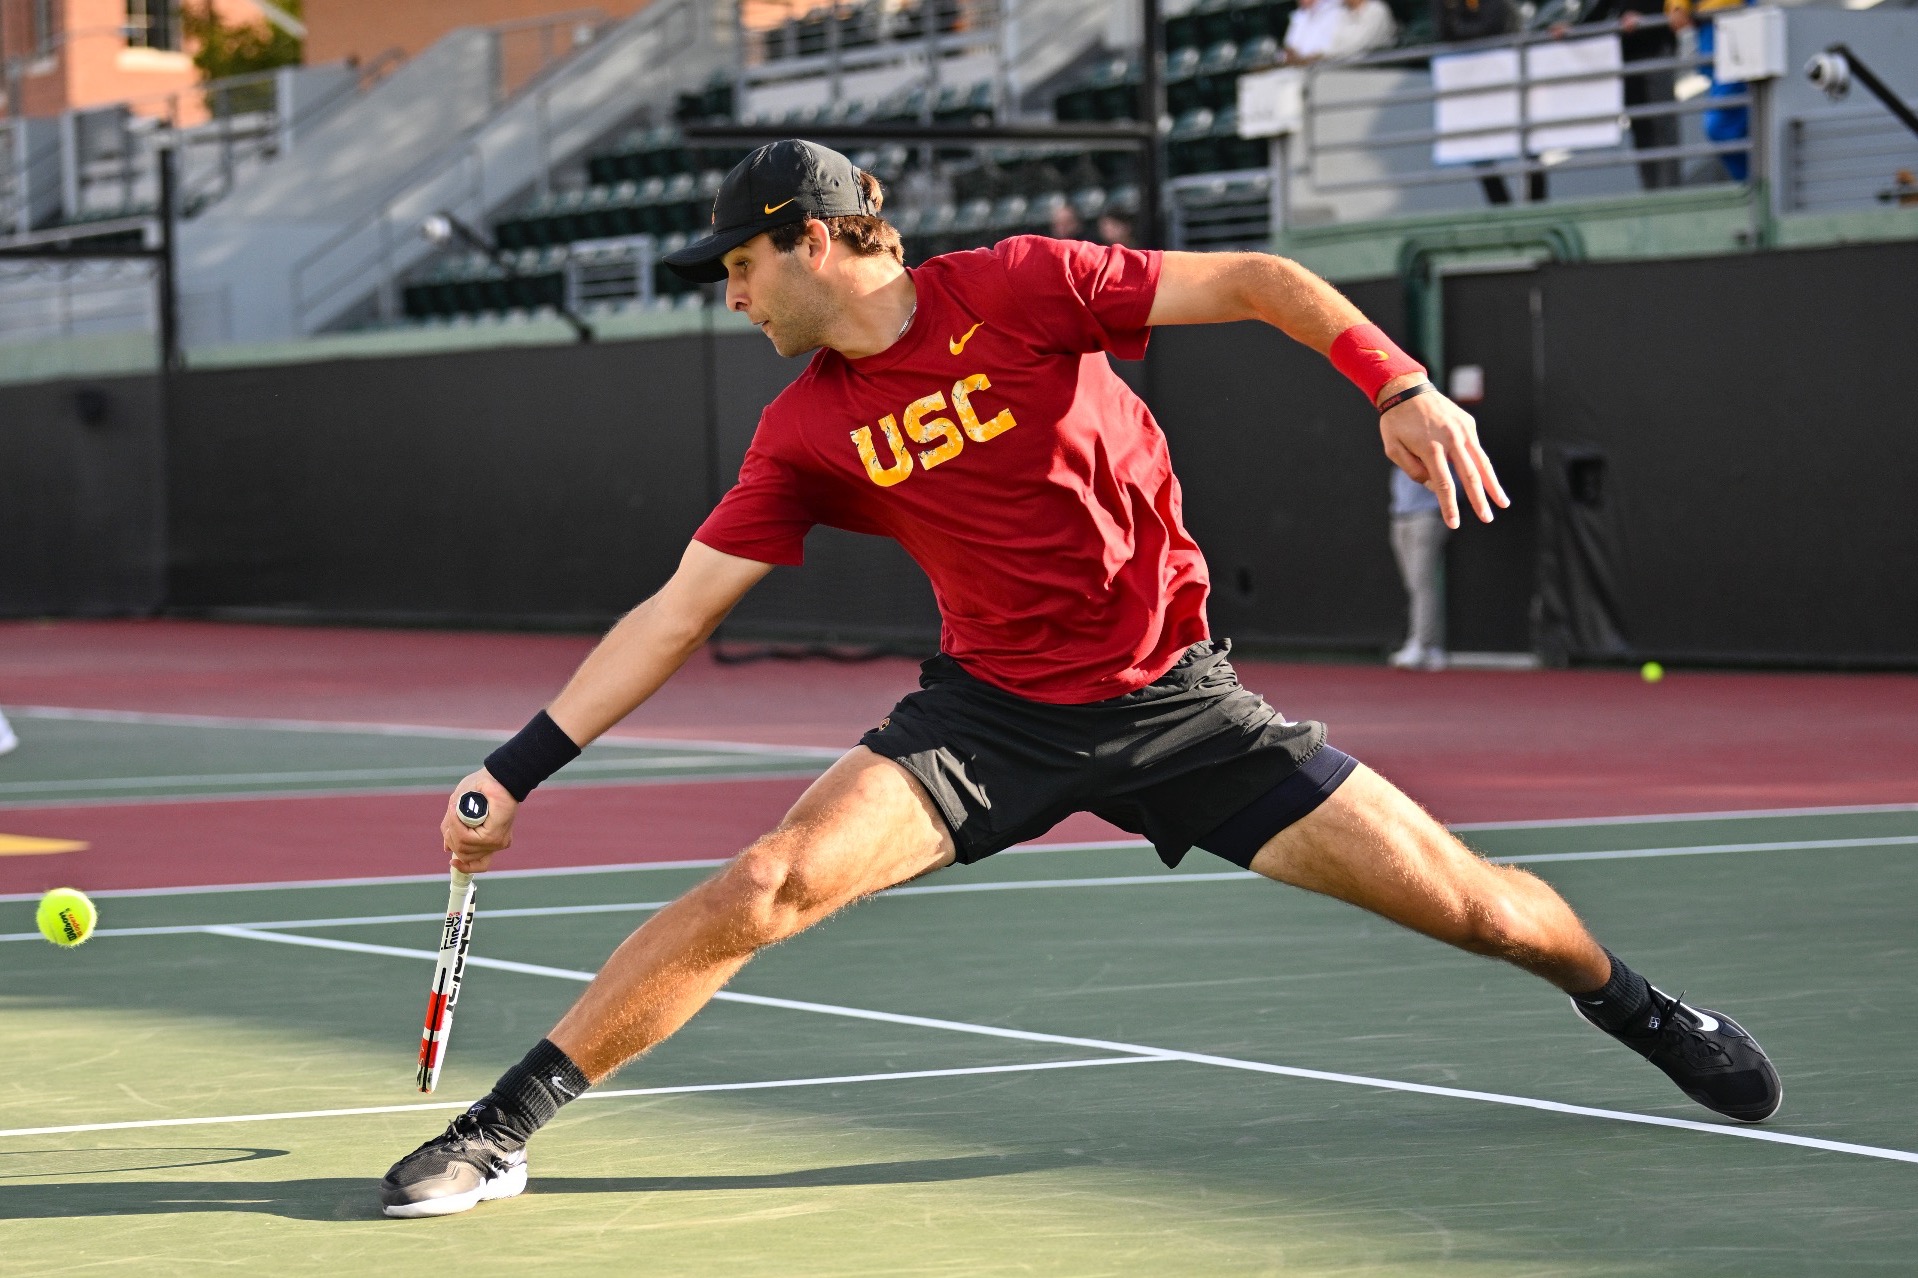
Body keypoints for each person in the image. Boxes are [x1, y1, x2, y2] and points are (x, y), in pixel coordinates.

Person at [377, 139, 1782, 1218]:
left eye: (737, 267)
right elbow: (677, 610)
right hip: (990, 719)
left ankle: (1637, 1005)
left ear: (807, 240)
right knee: (761, 884)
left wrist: (1395, 382)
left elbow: (1254, 283)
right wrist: (514, 768)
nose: (730, 295)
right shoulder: (804, 429)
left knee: (1484, 911)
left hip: (1183, 704)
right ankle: (499, 1132)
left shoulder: (1015, 284)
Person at [1665, 0, 1753, 182]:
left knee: (1726, 124)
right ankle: (1759, 187)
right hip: (1717, 25)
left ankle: (1761, 187)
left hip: (1740, 19)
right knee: (1728, 125)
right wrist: (1677, 5)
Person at [1388, 467, 1449, 669]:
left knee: (1421, 583)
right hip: (1400, 515)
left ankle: (1421, 643)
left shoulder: (1441, 446)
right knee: (1414, 584)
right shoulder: (1401, 442)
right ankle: (1431, 647)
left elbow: (1454, 483)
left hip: (1427, 516)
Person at [1324, 0, 1399, 62]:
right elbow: (1333, 40)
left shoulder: (1377, 10)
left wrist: (1326, 54)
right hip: (1344, 65)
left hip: (1376, 66)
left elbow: (1359, 43)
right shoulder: (1342, 13)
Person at [1283, 0, 1347, 64]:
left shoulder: (1336, 11)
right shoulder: (1300, 15)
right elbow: (1289, 47)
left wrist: (1305, 58)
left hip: (1325, 66)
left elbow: (1329, 50)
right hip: (1296, 67)